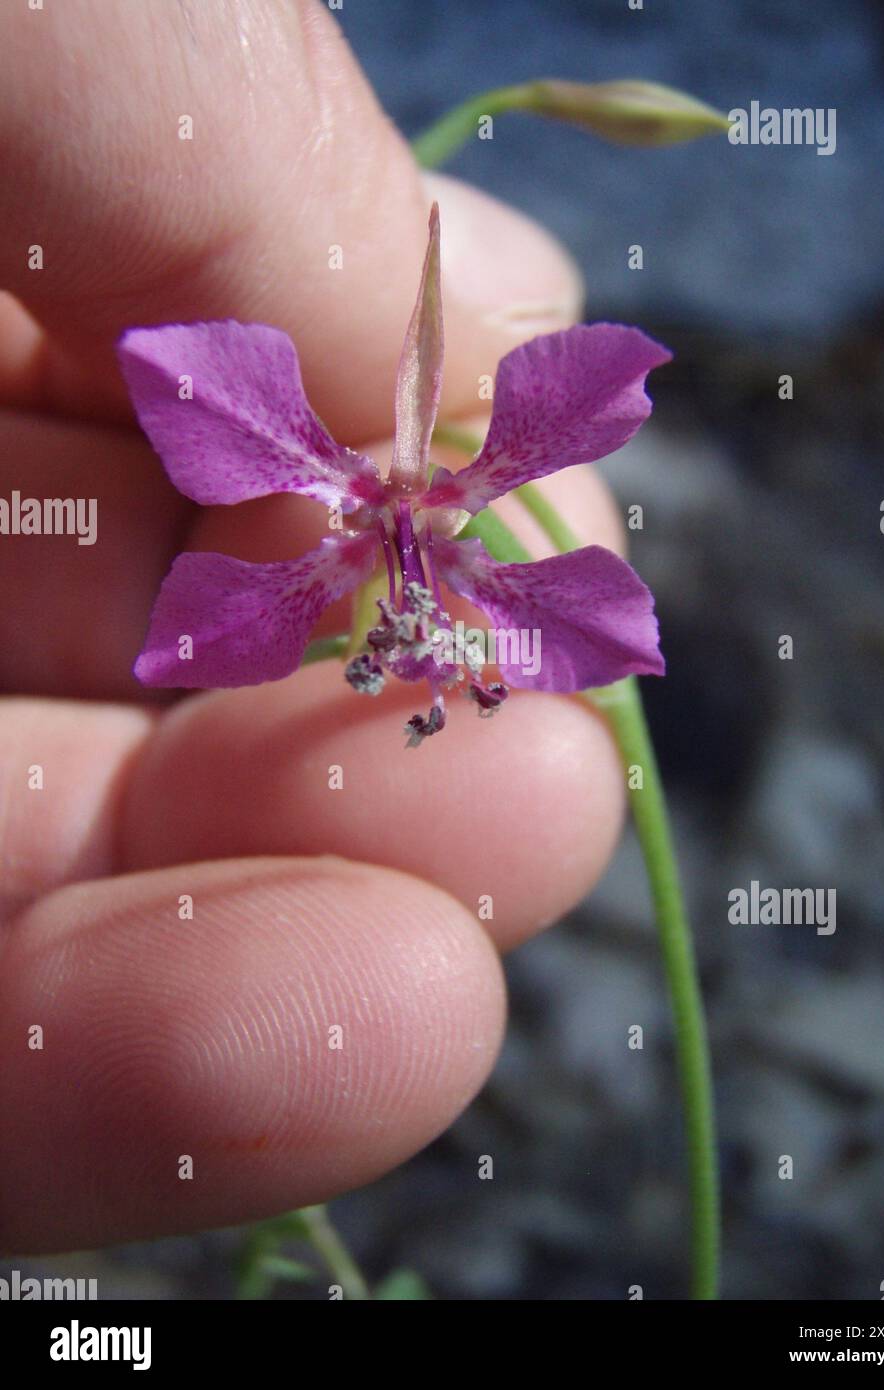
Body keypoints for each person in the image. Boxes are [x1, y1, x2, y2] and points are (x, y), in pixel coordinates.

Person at [0, 0, 631, 1253]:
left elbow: (603, 551)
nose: (406, 583)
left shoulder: (445, 528)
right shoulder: (332, 475)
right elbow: (188, 384)